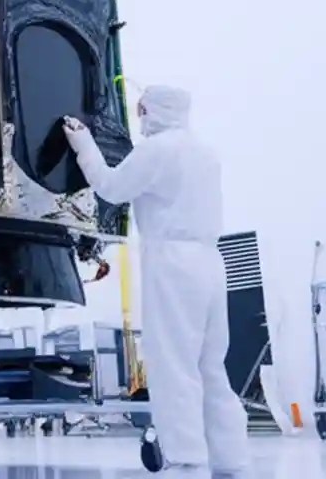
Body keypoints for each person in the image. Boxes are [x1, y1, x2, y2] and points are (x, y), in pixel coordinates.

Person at [63, 85, 250, 479]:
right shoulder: (205, 153)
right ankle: (231, 457)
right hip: (211, 263)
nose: (140, 115)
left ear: (155, 110)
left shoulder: (158, 150)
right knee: (211, 365)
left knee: (172, 364)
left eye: (143, 108)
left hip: (173, 263)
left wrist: (83, 144)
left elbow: (111, 187)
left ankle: (186, 458)